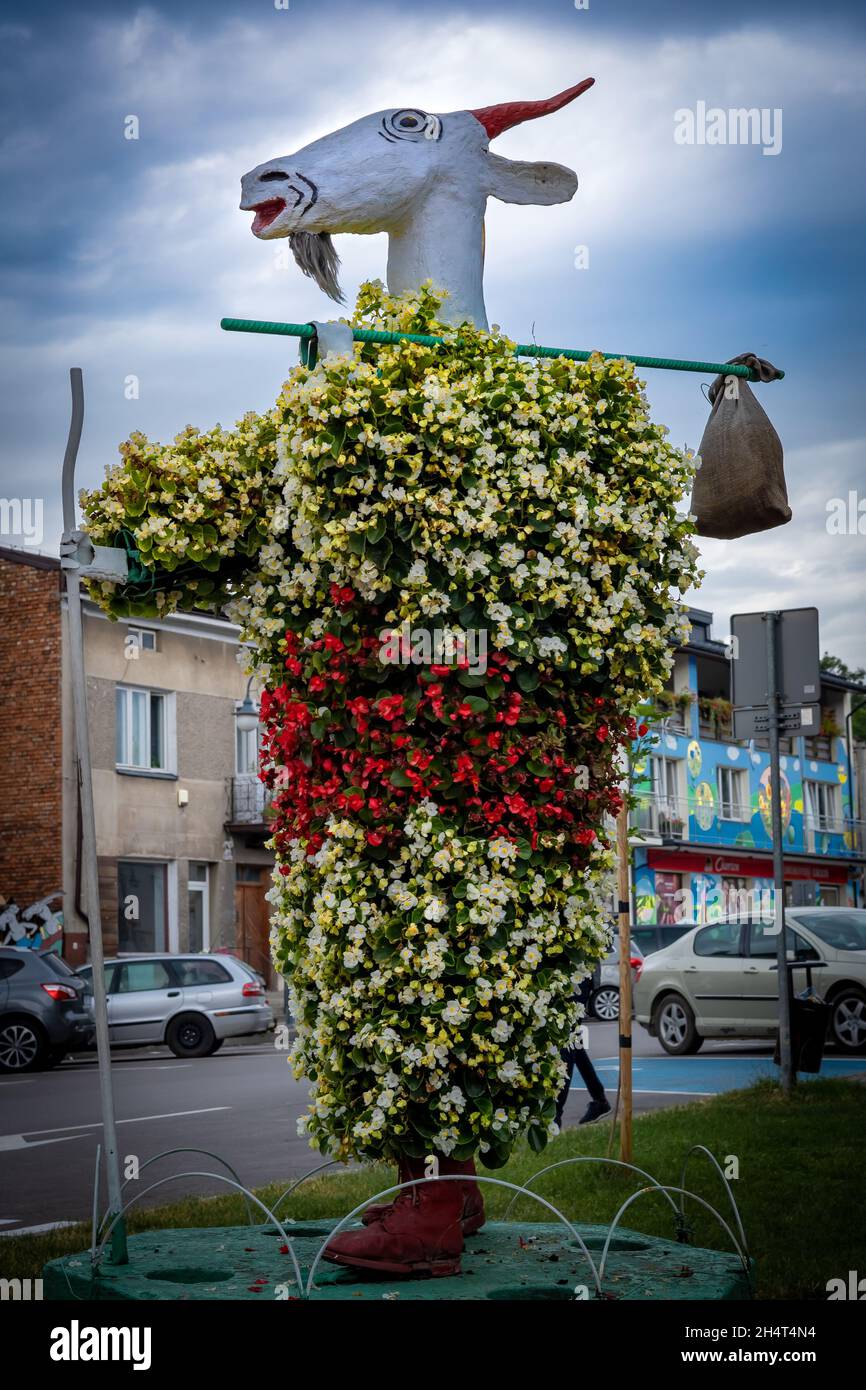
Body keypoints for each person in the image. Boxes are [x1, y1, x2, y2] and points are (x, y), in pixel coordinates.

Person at [555, 975, 612, 1128]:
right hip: (563, 977)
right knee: (574, 1045)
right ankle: (600, 1100)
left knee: (567, 1045)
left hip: (575, 978)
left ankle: (555, 1115)